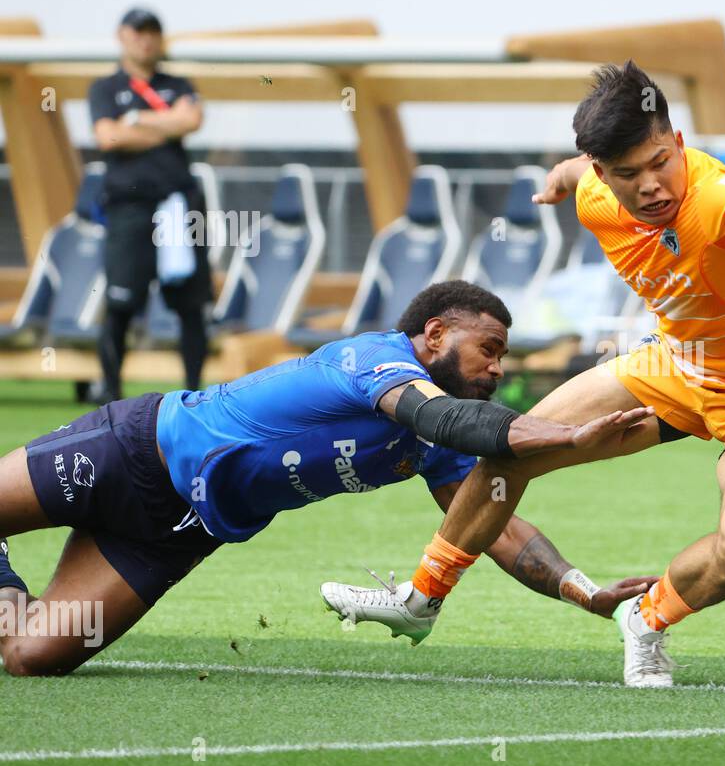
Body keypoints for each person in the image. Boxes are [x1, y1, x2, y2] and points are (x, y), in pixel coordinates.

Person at [324, 61, 725, 687]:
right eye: (627, 174)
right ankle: (420, 599)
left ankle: (648, 617)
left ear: (676, 143)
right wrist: (559, 181)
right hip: (675, 365)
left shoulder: (722, 202)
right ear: (600, 172)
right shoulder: (591, 192)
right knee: (512, 444)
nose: (650, 185)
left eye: (659, 162)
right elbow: (569, 171)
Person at [0, 281, 654, 677]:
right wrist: (568, 436)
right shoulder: (374, 357)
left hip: (179, 531)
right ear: (433, 335)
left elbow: (494, 526)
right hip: (137, 451)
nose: (495, 369)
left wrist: (580, 589)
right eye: (489, 350)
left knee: (32, 657)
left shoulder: (438, 445)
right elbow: (440, 415)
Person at [88, 7, 210, 403]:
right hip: (129, 207)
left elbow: (191, 121)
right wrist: (163, 122)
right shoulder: (106, 87)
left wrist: (135, 123)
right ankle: (111, 393)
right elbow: (108, 138)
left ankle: (194, 394)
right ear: (122, 35)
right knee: (120, 302)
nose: (146, 39)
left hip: (179, 204)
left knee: (191, 305)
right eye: (138, 31)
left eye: (153, 31)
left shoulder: (179, 83)